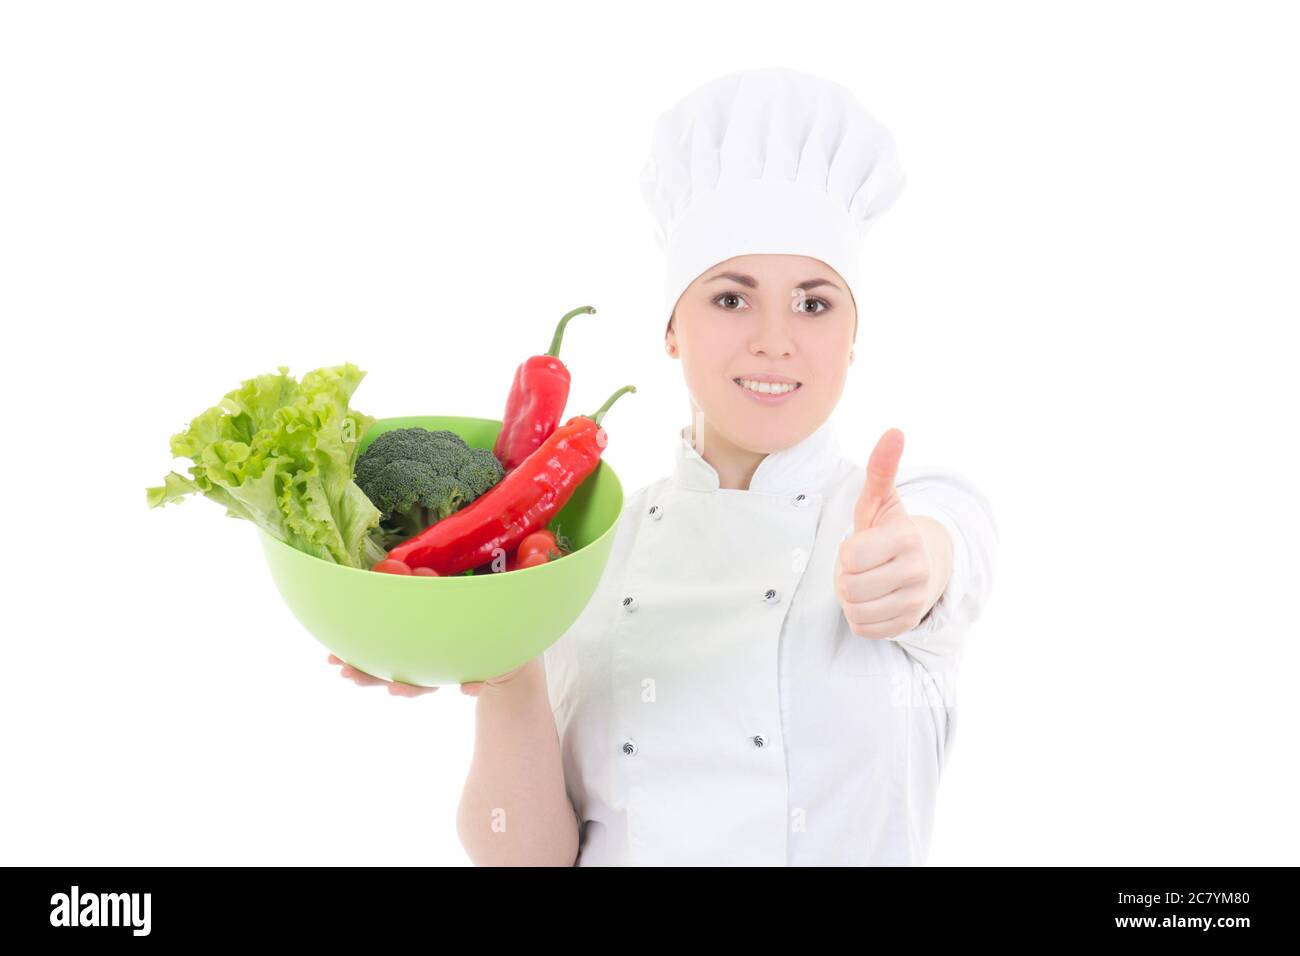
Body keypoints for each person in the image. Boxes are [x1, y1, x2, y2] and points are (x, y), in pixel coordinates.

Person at [333, 66, 998, 866]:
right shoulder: (582, 553)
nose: (775, 340)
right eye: (730, 297)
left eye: (815, 303)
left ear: (853, 340)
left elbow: (951, 546)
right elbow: (523, 857)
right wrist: (500, 663)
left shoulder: (896, 520)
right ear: (671, 329)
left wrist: (917, 566)